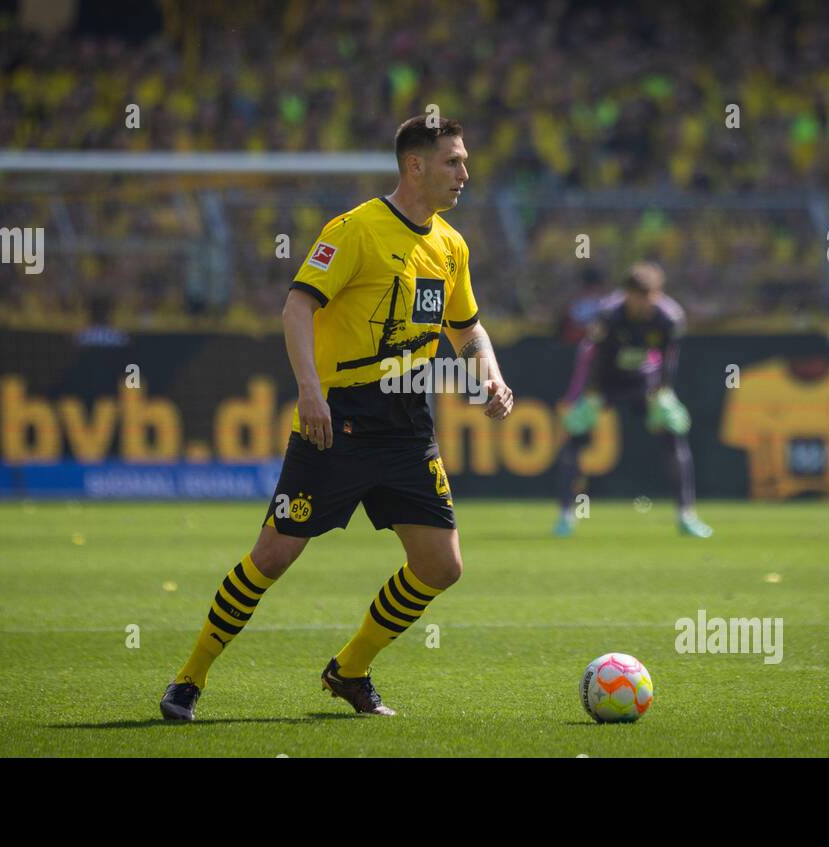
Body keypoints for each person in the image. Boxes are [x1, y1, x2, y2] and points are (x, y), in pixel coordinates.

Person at [159, 116, 514, 719]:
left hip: (407, 425)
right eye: (453, 161)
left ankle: (349, 671)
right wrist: (310, 392)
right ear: (415, 165)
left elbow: (467, 325)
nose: (464, 173)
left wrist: (491, 374)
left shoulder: (451, 246)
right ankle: (188, 680)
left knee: (441, 565)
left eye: (465, 160)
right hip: (339, 420)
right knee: (272, 556)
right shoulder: (354, 230)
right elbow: (298, 306)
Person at [553, 262, 713, 539]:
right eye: (638, 296)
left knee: (674, 437)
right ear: (627, 293)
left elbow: (668, 358)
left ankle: (686, 515)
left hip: (643, 380)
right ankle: (566, 515)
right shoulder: (607, 316)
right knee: (575, 438)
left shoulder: (669, 318)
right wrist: (588, 395)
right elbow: (593, 357)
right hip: (605, 381)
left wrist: (664, 392)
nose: (644, 304)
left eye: (650, 296)